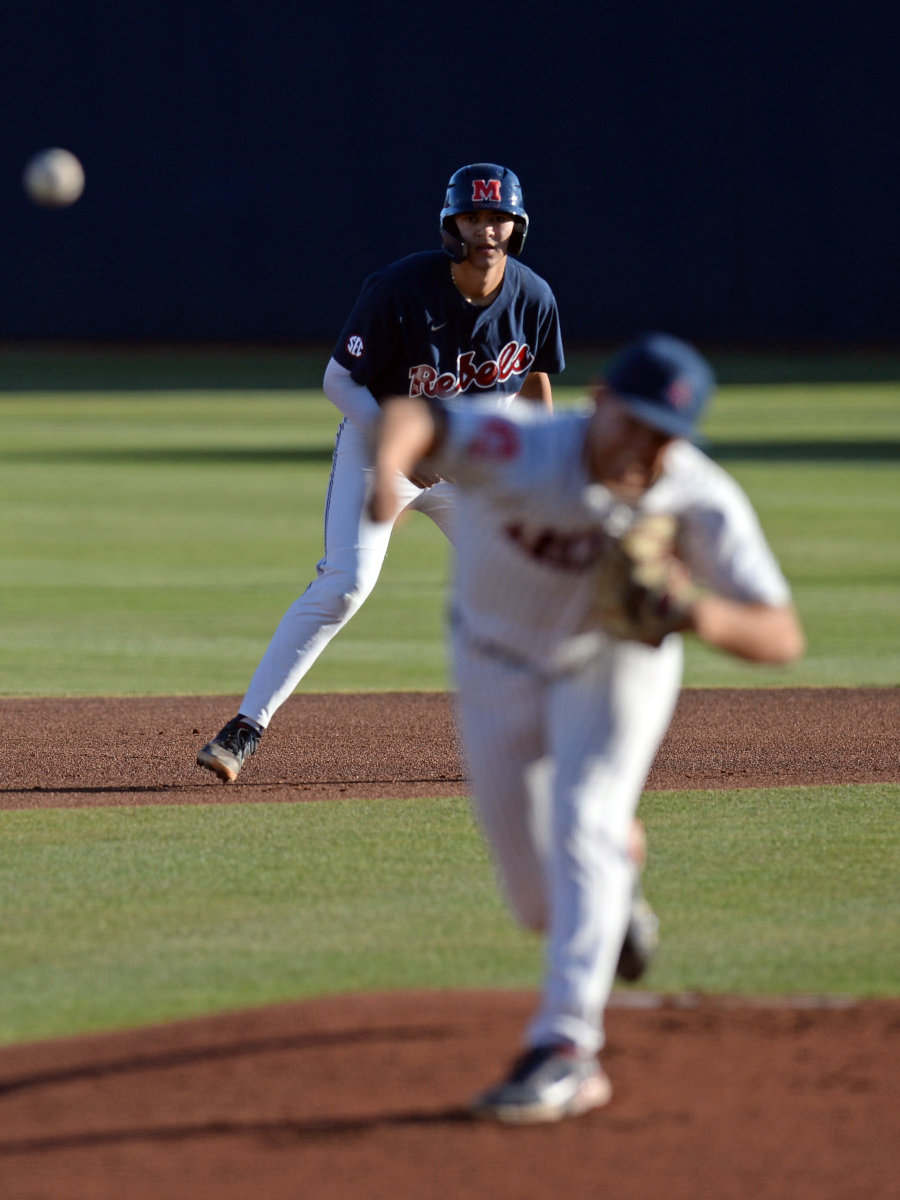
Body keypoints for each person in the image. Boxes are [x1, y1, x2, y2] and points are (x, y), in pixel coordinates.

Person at [367, 332, 805, 1124]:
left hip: (612, 665)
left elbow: (780, 634)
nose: (645, 448)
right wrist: (377, 484)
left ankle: (566, 1047)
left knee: (583, 823)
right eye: (632, 422)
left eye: (665, 436)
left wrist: (692, 610)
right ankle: (621, 881)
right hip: (492, 662)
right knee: (537, 904)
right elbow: (413, 417)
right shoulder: (528, 443)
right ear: (597, 402)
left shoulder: (694, 494)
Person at [197, 163, 564, 783]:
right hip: (380, 454)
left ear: (517, 225)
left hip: (470, 463)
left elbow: (534, 382)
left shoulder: (534, 297)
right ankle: (245, 726)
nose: (486, 229)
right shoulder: (400, 288)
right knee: (346, 583)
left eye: (498, 216)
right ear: (452, 224)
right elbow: (339, 379)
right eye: (473, 217)